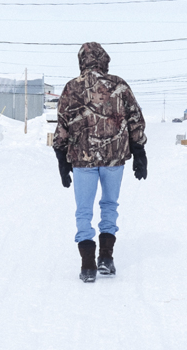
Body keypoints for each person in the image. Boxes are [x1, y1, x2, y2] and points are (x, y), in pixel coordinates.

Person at [53, 42, 147, 283]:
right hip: (114, 158)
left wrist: (61, 158)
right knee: (109, 204)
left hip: (82, 159)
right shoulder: (119, 85)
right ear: (104, 60)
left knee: (83, 210)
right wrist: (139, 151)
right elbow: (135, 118)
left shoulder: (72, 87)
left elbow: (62, 124)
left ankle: (87, 265)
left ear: (81, 61)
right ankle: (106, 257)